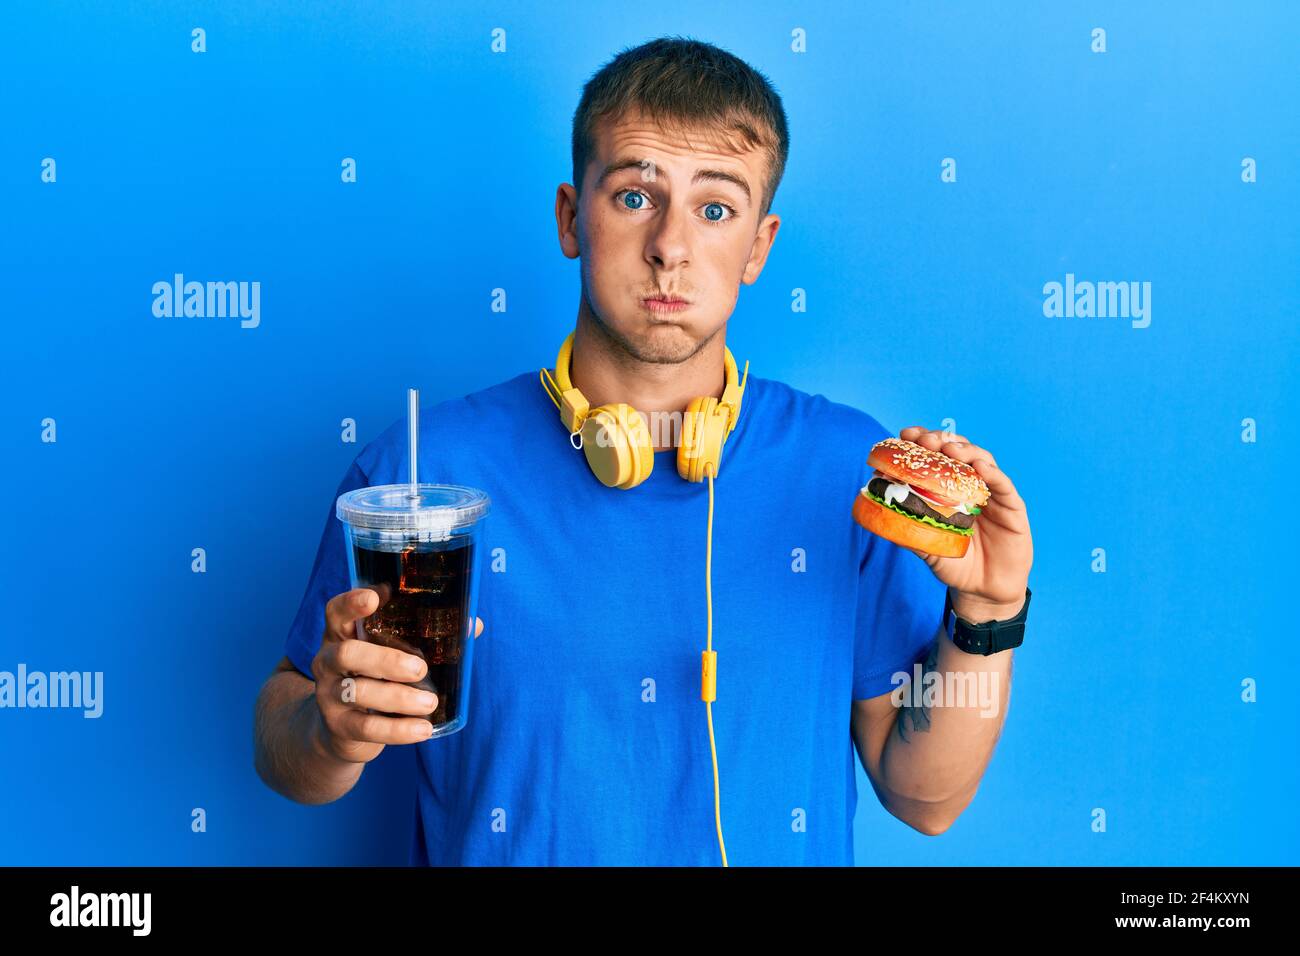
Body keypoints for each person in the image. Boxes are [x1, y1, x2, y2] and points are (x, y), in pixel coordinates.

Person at [253, 36, 1033, 866]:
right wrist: (329, 728)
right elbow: (284, 743)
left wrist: (987, 614)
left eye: (715, 208)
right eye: (633, 196)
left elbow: (925, 797)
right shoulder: (423, 470)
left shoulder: (847, 469)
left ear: (760, 247)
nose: (671, 245)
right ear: (569, 217)